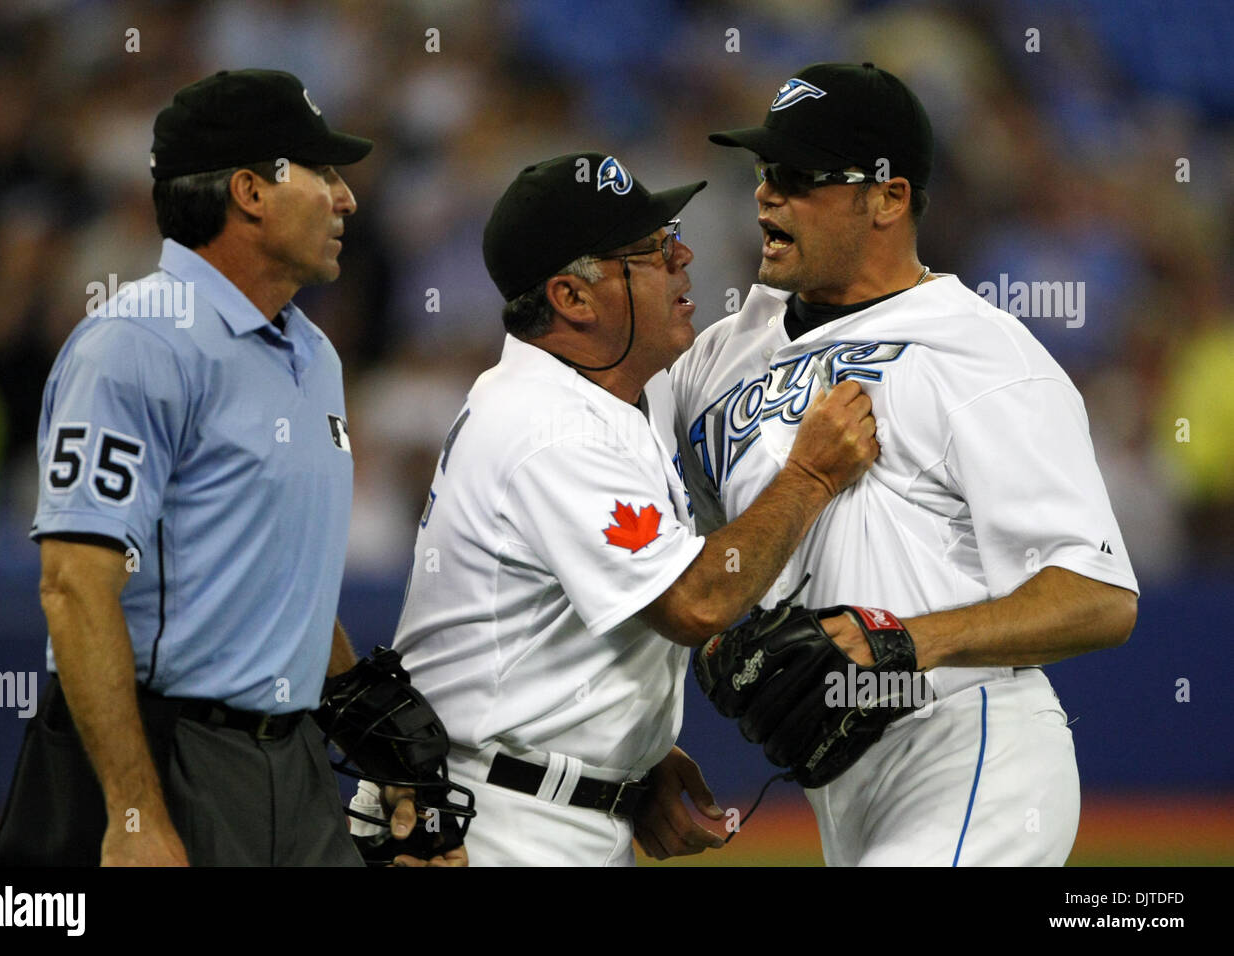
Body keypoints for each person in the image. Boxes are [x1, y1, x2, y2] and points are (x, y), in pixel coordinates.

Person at [0, 69, 459, 867]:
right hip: (167, 751)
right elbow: (73, 583)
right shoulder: (135, 344)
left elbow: (278, 583)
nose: (346, 199)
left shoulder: (313, 351)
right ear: (249, 190)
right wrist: (134, 813)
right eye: (324, 173)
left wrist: (384, 758)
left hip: (294, 764)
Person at [671, 62, 1139, 865]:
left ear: (889, 197)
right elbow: (690, 560)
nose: (766, 193)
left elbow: (1100, 598)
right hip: (836, 782)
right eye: (763, 171)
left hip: (970, 746)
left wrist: (905, 641)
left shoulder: (982, 350)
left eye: (799, 174)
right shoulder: (716, 358)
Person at [383, 152, 879, 866]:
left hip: (535, 800)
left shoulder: (595, 401)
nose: (684, 255)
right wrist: (810, 474)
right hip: (497, 825)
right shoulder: (549, 424)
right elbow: (694, 603)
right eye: (649, 250)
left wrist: (624, 762)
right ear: (572, 298)